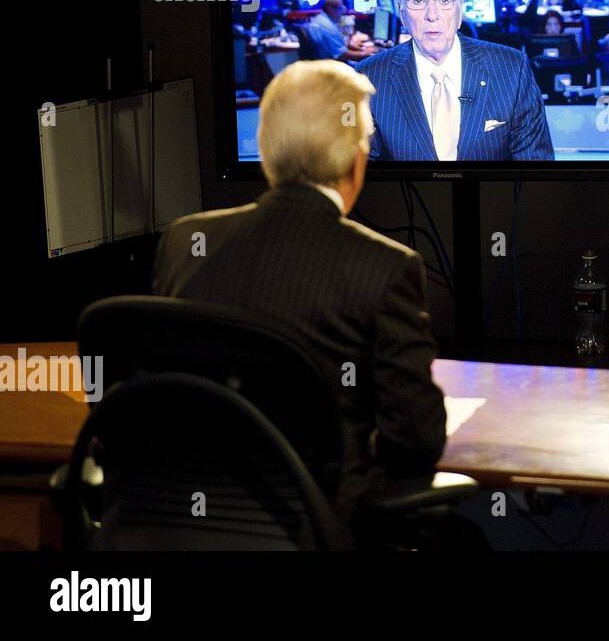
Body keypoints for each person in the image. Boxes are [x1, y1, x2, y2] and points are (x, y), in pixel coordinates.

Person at [152, 59, 449, 526]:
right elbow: (416, 439)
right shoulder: (386, 266)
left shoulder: (184, 244)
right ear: (357, 158)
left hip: (173, 523)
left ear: (266, 150)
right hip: (315, 524)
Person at [357, 0, 554, 162]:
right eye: (418, 1)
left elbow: (536, 172)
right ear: (401, 12)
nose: (432, 15)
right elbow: (364, 181)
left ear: (460, 9)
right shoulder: (368, 78)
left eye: (444, 1)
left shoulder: (512, 69)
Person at [299, 0, 375, 63]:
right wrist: (367, 53)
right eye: (341, 7)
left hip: (327, 63)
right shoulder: (327, 27)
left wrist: (358, 48)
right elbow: (342, 55)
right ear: (330, 8)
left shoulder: (320, 20)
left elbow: (335, 45)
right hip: (334, 67)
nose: (343, 11)